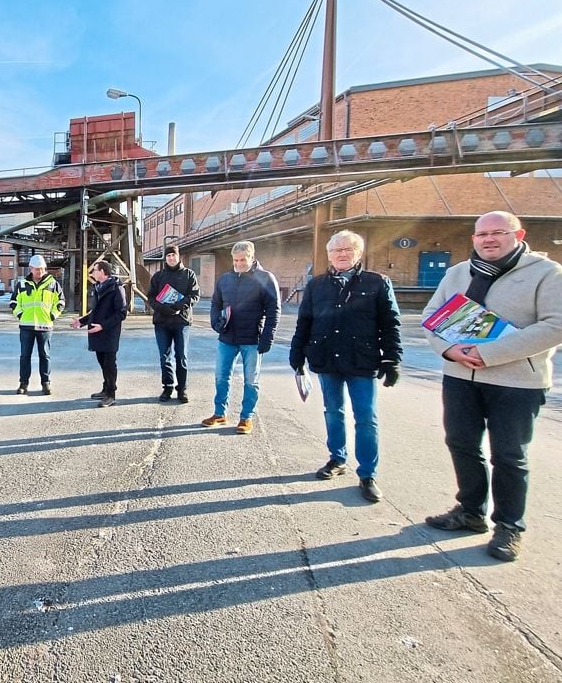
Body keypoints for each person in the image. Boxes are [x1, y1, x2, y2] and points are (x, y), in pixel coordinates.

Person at [422, 211, 562, 562]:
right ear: (474, 239)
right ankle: (470, 510)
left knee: (510, 455)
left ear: (519, 234)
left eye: (498, 232)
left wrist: (489, 354)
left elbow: (555, 325)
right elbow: (431, 316)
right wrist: (448, 349)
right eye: (482, 234)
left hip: (516, 381)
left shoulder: (546, 273)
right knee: (461, 443)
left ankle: (510, 526)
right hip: (459, 377)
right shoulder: (457, 273)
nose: (489, 239)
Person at [289, 230, 402, 503]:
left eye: (347, 249)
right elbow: (304, 322)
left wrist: (392, 358)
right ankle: (337, 458)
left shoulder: (377, 283)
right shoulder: (316, 285)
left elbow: (390, 323)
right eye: (336, 250)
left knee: (366, 417)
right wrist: (297, 354)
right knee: (333, 411)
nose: (341, 254)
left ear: (358, 253)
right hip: (327, 358)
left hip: (361, 360)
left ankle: (367, 474)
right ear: (328, 255)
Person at [200, 241, 278, 433]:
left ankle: (246, 418)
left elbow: (273, 310)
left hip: (252, 339)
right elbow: (216, 303)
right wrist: (215, 322)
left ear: (252, 257)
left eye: (243, 260)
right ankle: (220, 413)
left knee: (251, 380)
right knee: (221, 377)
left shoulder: (266, 279)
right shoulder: (224, 279)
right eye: (236, 260)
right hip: (227, 338)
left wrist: (267, 337)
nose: (239, 264)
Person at [148, 244, 200, 403]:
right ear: (165, 258)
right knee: (164, 357)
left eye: (173, 255)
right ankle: (167, 387)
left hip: (181, 322)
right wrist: (163, 308)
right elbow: (151, 297)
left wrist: (179, 306)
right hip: (162, 322)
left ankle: (182, 389)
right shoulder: (158, 276)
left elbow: (195, 295)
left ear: (179, 257)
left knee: (181, 356)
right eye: (168, 256)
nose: (171, 258)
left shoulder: (189, 275)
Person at [71, 261, 128, 407]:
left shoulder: (116, 288)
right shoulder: (97, 287)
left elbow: (121, 313)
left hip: (109, 333)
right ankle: (105, 389)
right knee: (102, 362)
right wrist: (82, 321)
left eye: (94, 270)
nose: (92, 273)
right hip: (97, 332)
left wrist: (103, 326)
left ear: (102, 272)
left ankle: (111, 394)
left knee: (109, 364)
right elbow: (95, 311)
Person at [10, 254, 65, 395]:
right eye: (37, 269)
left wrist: (52, 315)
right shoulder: (22, 284)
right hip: (26, 326)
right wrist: (20, 314)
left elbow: (61, 302)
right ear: (31, 269)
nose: (39, 271)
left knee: (45, 355)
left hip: (45, 326)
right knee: (25, 356)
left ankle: (46, 383)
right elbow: (13, 302)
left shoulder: (53, 284)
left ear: (45, 269)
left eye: (42, 269)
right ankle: (23, 383)